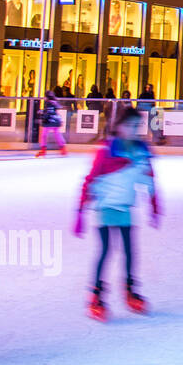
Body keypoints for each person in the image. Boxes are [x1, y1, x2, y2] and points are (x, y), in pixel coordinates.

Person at [75, 107, 160, 320]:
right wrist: (80, 211)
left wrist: (154, 205)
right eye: (129, 126)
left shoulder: (140, 152)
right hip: (105, 207)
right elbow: (90, 180)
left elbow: (149, 179)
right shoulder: (107, 151)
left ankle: (130, 289)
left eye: (136, 126)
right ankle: (96, 295)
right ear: (119, 127)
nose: (133, 130)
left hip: (125, 207)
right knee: (106, 250)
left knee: (130, 251)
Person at [34, 91, 67, 158]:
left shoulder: (48, 103)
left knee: (44, 135)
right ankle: (63, 149)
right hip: (56, 120)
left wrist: (41, 113)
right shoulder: (55, 102)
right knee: (57, 134)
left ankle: (43, 150)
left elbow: (48, 111)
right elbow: (56, 109)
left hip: (49, 121)